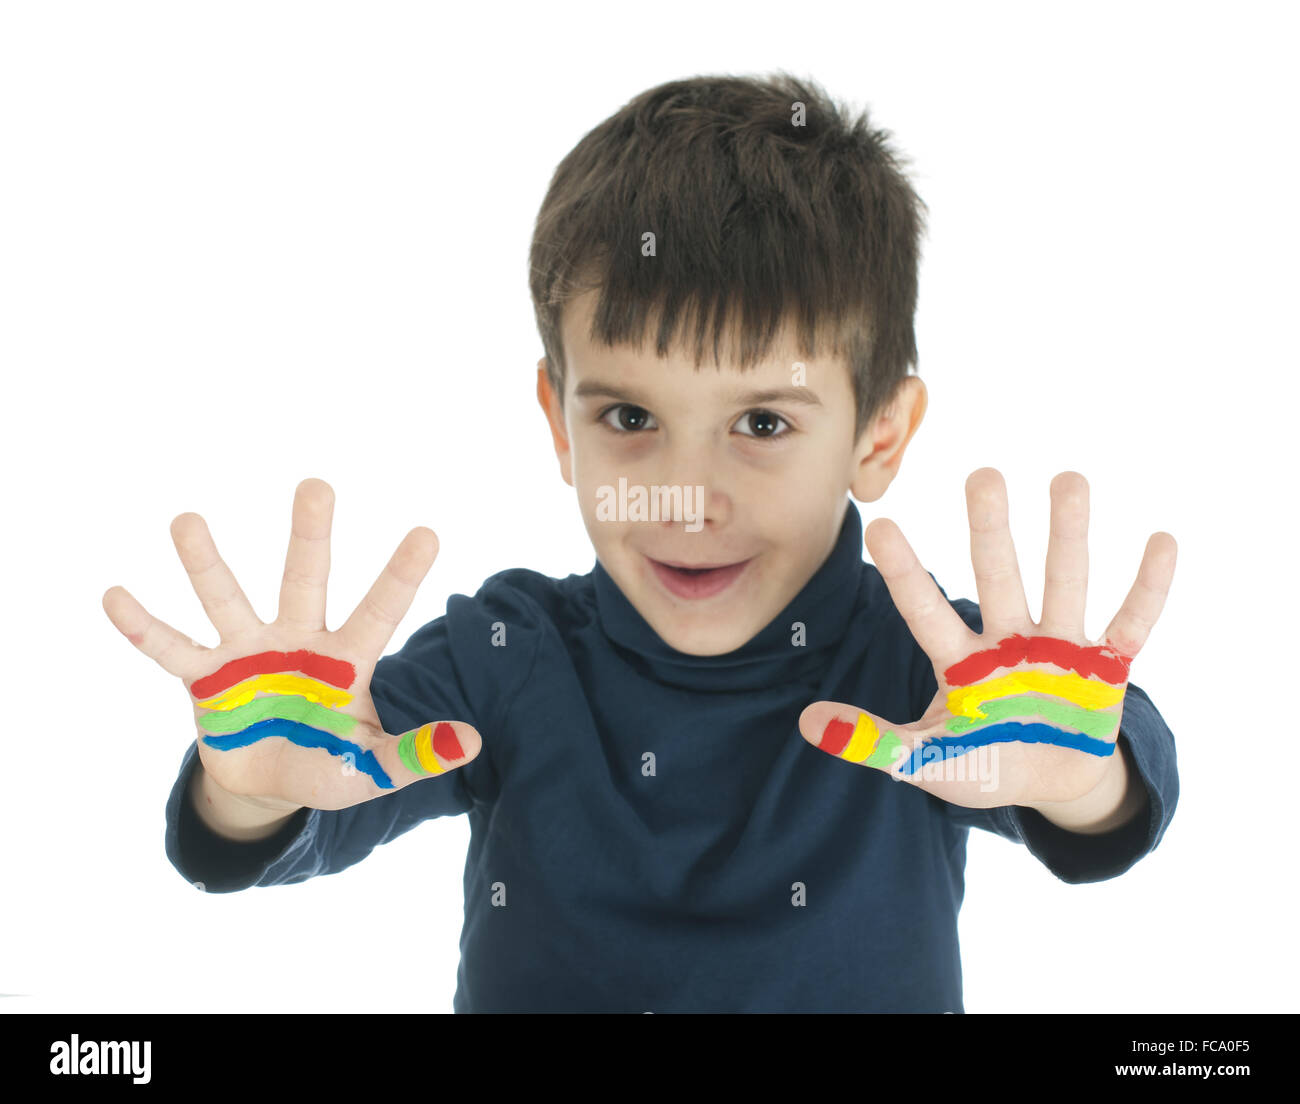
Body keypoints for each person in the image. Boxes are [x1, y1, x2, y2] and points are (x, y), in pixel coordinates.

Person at [102, 73, 1179, 1012]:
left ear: (878, 435)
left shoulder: (926, 665)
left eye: (761, 425)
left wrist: (1085, 786)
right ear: (555, 419)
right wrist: (246, 795)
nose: (681, 497)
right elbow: (319, 787)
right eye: (628, 419)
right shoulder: (508, 651)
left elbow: (1093, 773)